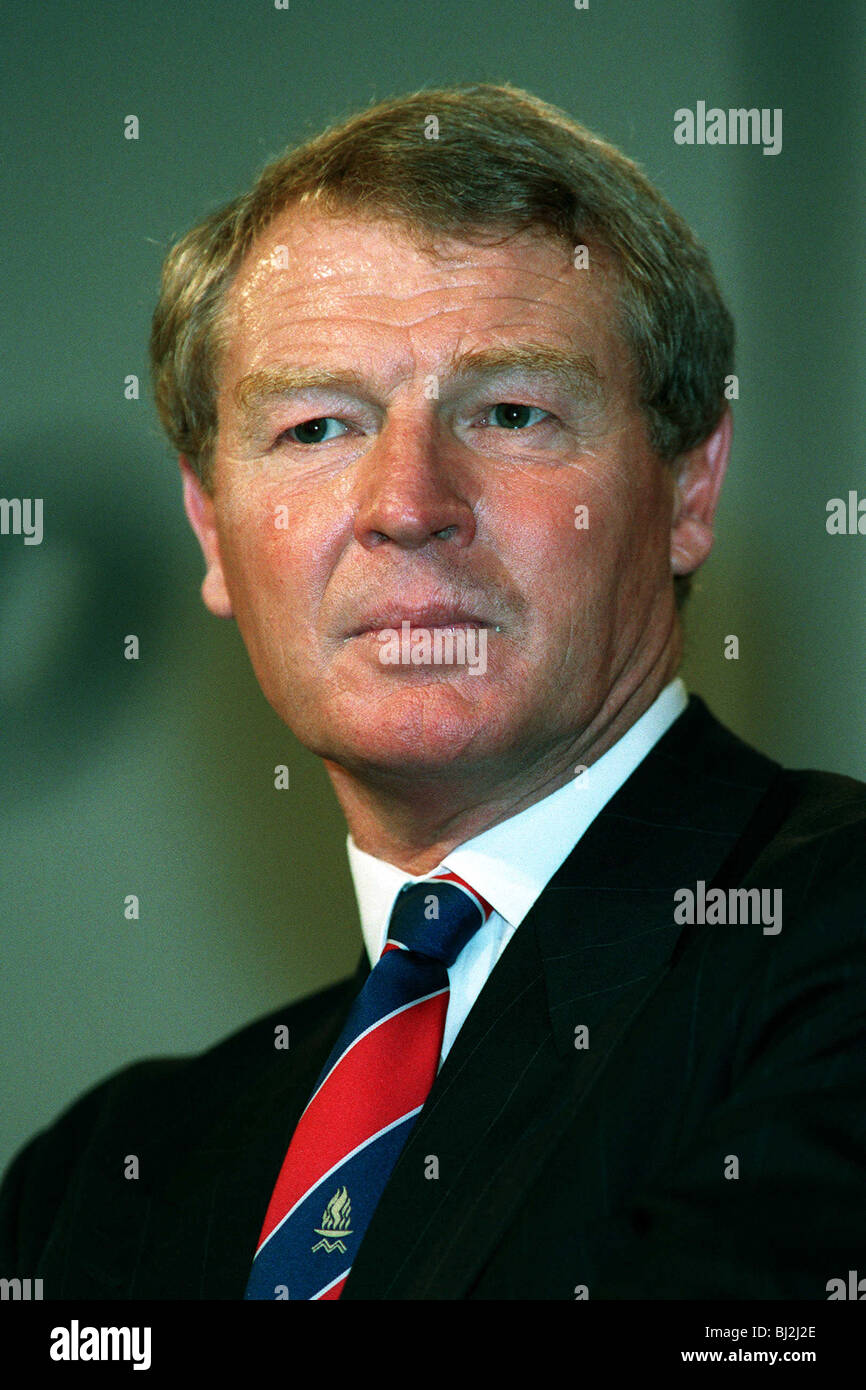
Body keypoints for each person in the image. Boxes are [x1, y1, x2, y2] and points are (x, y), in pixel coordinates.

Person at [2, 83, 864, 1302]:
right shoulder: (95, 1189)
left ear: (686, 490)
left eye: (511, 413)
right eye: (315, 428)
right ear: (209, 526)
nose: (405, 502)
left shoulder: (824, 948)